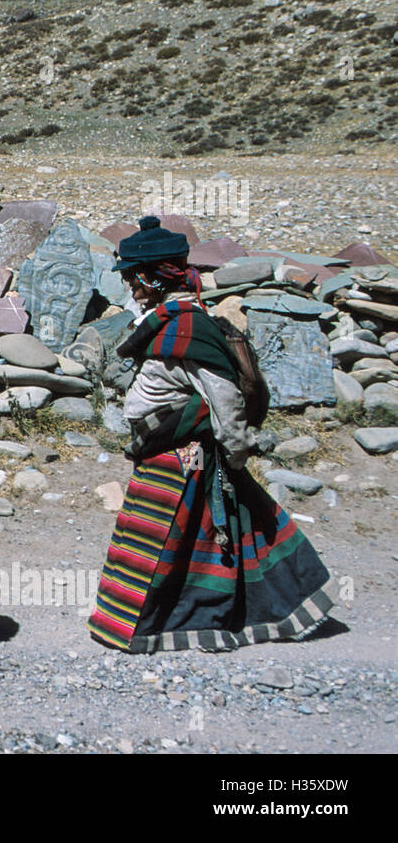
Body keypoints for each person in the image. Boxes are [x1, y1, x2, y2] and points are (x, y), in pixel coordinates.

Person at [87, 216, 337, 652]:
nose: (129, 286)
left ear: (151, 278)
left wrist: (235, 454)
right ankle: (131, 621)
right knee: (165, 546)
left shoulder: (190, 329)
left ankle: (173, 627)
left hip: (185, 462)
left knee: (179, 548)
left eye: (132, 278)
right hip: (163, 454)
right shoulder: (172, 323)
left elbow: (224, 399)